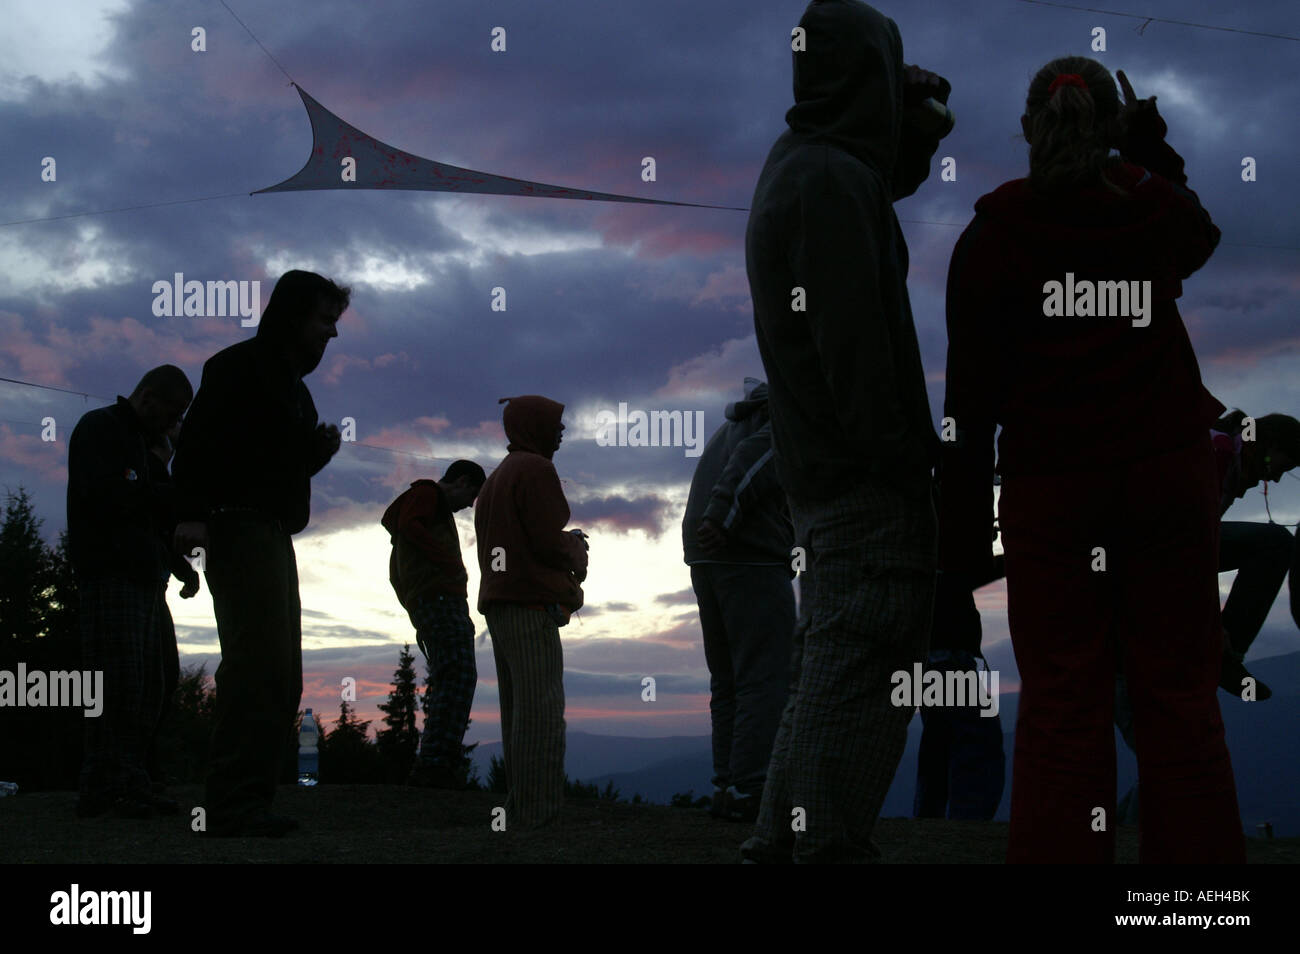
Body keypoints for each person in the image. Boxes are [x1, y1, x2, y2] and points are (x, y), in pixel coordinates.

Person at [941, 57, 1244, 862]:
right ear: (1112, 127)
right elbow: (1201, 237)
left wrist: (964, 532)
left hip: (1051, 491)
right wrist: (1149, 149)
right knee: (1179, 699)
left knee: (1061, 704)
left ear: (1029, 128)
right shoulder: (1152, 209)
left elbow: (968, 406)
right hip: (1168, 476)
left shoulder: (992, 234)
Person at [741, 0, 949, 862]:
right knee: (861, 668)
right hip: (865, 479)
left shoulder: (804, 162)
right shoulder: (831, 182)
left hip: (823, 477)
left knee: (829, 664)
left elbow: (877, 172)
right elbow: (856, 352)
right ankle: (824, 846)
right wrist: (909, 462)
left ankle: (776, 842)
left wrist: (910, 127)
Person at [172, 269, 349, 837]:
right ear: (295, 316)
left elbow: (276, 471)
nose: (332, 334)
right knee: (258, 668)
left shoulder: (296, 390)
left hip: (272, 534)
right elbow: (196, 447)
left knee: (280, 673)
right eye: (326, 320)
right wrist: (191, 517)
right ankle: (232, 806)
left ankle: (249, 800)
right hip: (238, 529)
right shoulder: (235, 367)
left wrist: (313, 454)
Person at [67, 365, 194, 818]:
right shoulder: (101, 428)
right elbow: (110, 498)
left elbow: (155, 513)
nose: (172, 423)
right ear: (148, 399)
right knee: (119, 682)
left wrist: (178, 565)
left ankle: (130, 780)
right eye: (172, 412)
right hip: (111, 572)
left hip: (142, 578)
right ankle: (105, 786)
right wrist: (166, 496)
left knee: (150, 683)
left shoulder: (141, 445)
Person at [682, 378, 795, 822]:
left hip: (706, 558)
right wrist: (723, 516)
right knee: (765, 676)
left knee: (727, 679)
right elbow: (757, 459)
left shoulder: (732, 425)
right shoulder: (783, 415)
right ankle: (751, 791)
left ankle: (727, 785)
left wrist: (714, 524)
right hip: (749, 556)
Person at [474, 395, 587, 830]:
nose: (561, 432)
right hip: (528, 603)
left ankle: (520, 805)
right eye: (555, 424)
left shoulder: (497, 476)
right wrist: (573, 549)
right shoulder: (536, 469)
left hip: (499, 603)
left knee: (517, 709)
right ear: (534, 426)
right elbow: (545, 541)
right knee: (540, 710)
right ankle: (539, 813)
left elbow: (519, 538)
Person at [381, 459, 487, 789]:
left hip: (434, 600)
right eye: (472, 496)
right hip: (438, 600)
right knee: (458, 672)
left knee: (449, 675)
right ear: (463, 481)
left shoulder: (427, 502)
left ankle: (435, 761)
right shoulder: (427, 494)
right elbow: (413, 527)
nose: (469, 505)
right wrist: (450, 562)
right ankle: (436, 763)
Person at [913, 554, 1006, 821]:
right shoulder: (943, 559)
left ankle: (930, 824)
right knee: (978, 741)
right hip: (947, 660)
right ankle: (967, 826)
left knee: (938, 746)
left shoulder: (934, 560)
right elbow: (965, 576)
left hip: (932, 662)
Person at [143, 419, 202, 793]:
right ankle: (142, 766)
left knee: (160, 677)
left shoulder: (159, 473)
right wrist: (186, 572)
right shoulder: (154, 473)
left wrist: (185, 572)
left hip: (156, 585)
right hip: (146, 586)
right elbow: (160, 527)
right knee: (153, 679)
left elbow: (164, 531)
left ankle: (147, 765)